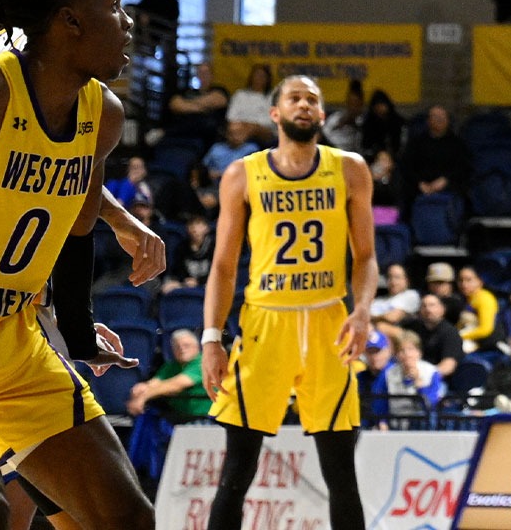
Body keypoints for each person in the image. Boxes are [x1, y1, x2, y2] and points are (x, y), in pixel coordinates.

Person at [0, 0, 156, 529]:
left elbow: (76, 227)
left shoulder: (103, 115)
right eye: (114, 4)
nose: (127, 21)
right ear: (68, 21)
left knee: (127, 519)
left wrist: (76, 331)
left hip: (13, 341)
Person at [201, 75, 377, 530]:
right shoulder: (242, 174)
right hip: (265, 325)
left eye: (312, 99)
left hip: (329, 324)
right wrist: (211, 339)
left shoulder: (350, 169)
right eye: (294, 98)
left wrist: (362, 311)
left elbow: (365, 256)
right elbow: (223, 266)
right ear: (275, 113)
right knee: (236, 472)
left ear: (322, 115)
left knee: (341, 474)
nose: (304, 104)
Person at [127, 330, 214, 422]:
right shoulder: (170, 366)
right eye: (177, 347)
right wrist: (142, 388)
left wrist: (144, 397)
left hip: (206, 419)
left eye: (186, 346)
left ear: (197, 347)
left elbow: (176, 385)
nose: (182, 349)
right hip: (178, 416)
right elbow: (155, 383)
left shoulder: (204, 363)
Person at [399, 105, 472, 209]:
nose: (440, 120)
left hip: (448, 188)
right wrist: (420, 183)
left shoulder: (457, 144)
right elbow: (406, 166)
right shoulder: (416, 143)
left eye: (443, 117)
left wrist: (445, 180)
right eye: (436, 117)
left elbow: (463, 167)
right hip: (419, 189)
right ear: (428, 121)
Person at [378, 330, 447, 420]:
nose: (407, 354)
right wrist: (382, 421)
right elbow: (381, 402)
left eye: (410, 349)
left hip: (422, 423)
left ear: (419, 352)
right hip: (396, 421)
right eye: (401, 350)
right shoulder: (389, 373)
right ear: (396, 355)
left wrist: (418, 382)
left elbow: (432, 404)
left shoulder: (432, 372)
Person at [406, 290, 465, 378]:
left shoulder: (450, 333)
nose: (428, 310)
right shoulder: (413, 327)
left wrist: (424, 375)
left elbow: (448, 366)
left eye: (432, 305)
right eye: (424, 306)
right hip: (412, 374)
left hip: (438, 379)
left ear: (442, 309)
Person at [225, 63, 276, 145]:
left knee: (253, 129)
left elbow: (270, 121)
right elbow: (231, 117)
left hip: (264, 131)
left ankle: (239, 143)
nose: (258, 79)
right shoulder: (240, 95)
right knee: (233, 128)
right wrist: (246, 125)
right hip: (240, 127)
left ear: (267, 79)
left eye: (262, 76)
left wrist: (252, 125)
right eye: (256, 75)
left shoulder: (272, 97)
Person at [202, 118, 263, 182]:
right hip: (217, 184)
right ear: (226, 134)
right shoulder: (216, 149)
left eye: (239, 133)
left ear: (245, 134)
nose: (235, 137)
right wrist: (210, 173)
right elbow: (204, 168)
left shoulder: (252, 149)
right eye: (232, 133)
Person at [458, 266, 501, 350]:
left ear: (480, 281)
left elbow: (485, 329)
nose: (464, 284)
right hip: (471, 340)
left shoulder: (485, 298)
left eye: (469, 280)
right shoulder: (467, 299)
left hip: (488, 345)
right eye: (460, 280)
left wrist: (459, 336)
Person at [322, 79, 365, 153]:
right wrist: (340, 124)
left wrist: (355, 125)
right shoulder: (336, 117)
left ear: (361, 105)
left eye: (356, 104)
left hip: (349, 154)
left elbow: (360, 146)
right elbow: (324, 134)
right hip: (330, 150)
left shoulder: (362, 122)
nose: (353, 107)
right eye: (351, 103)